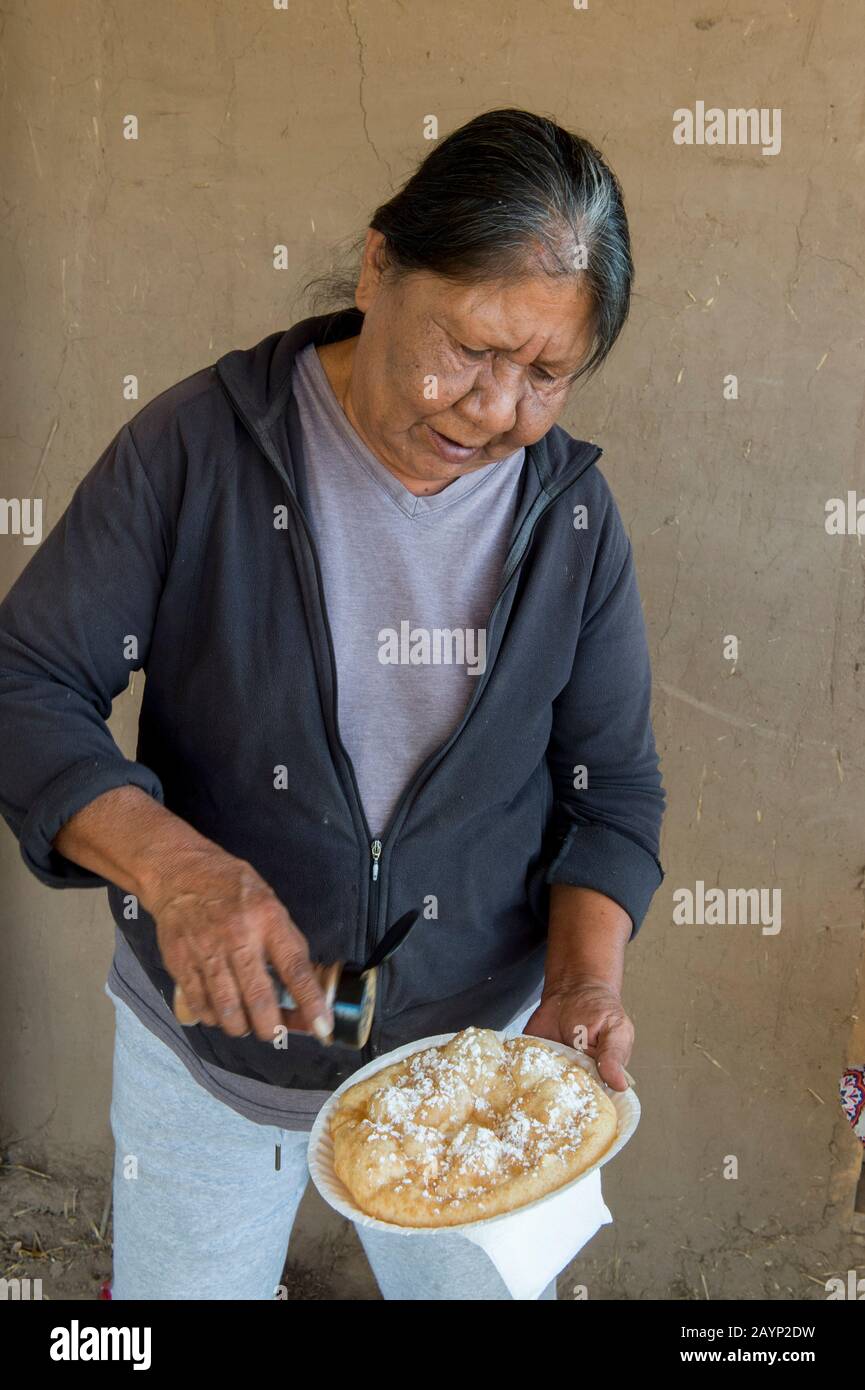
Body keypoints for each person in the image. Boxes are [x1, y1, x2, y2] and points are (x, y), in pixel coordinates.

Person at [0, 107, 666, 1300]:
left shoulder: (569, 518)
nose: (494, 410)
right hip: (210, 1043)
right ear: (377, 269)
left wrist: (581, 983)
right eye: (467, 347)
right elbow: (24, 682)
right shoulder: (198, 451)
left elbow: (609, 791)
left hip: (463, 1066)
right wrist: (176, 870)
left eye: (546, 374)